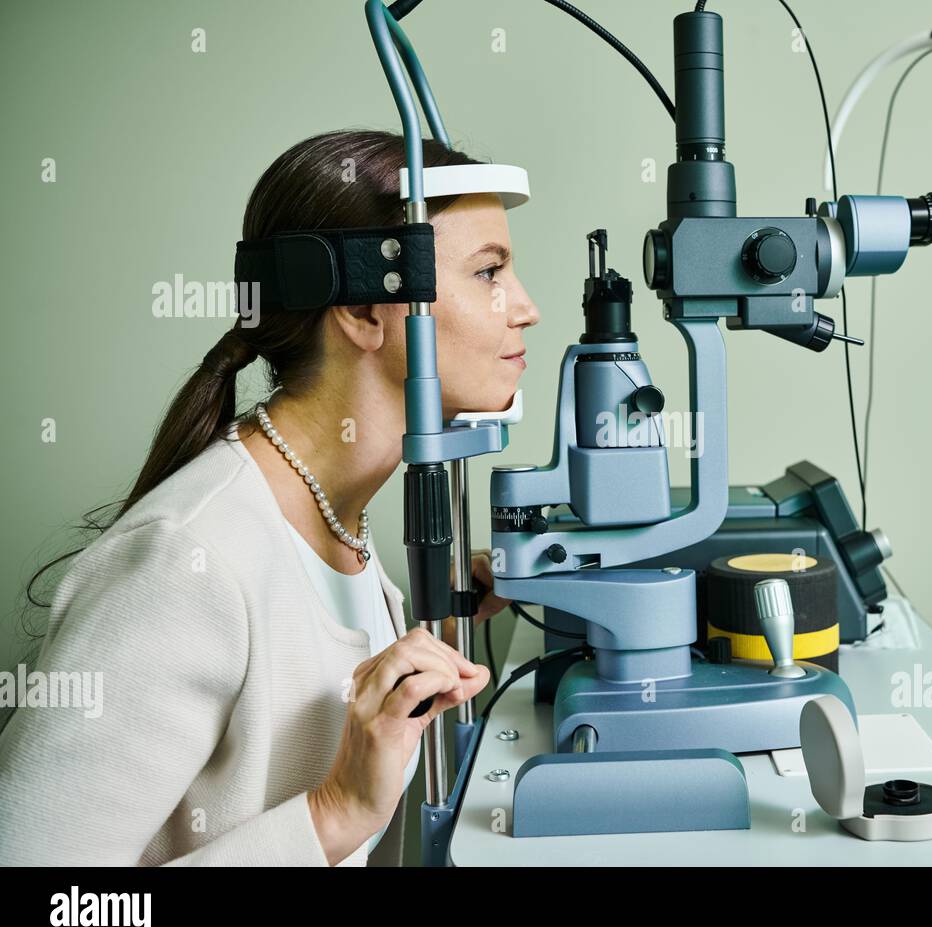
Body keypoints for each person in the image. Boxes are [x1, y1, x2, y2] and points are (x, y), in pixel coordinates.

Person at [0, 129, 540, 866]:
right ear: (363, 312)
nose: (525, 308)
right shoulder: (186, 564)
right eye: (488, 274)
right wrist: (332, 813)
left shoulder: (336, 523)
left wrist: (452, 616)